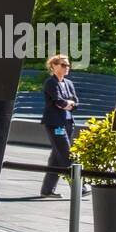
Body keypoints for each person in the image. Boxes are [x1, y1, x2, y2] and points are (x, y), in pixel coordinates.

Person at [39, 54, 88, 198]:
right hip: (55, 124)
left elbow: (76, 103)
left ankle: (47, 191)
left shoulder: (69, 83)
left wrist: (69, 104)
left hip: (67, 123)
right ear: (53, 66)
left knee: (56, 157)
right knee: (67, 155)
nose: (67, 67)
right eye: (63, 65)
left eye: (68, 65)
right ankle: (80, 188)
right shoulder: (50, 83)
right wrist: (68, 103)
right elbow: (59, 102)